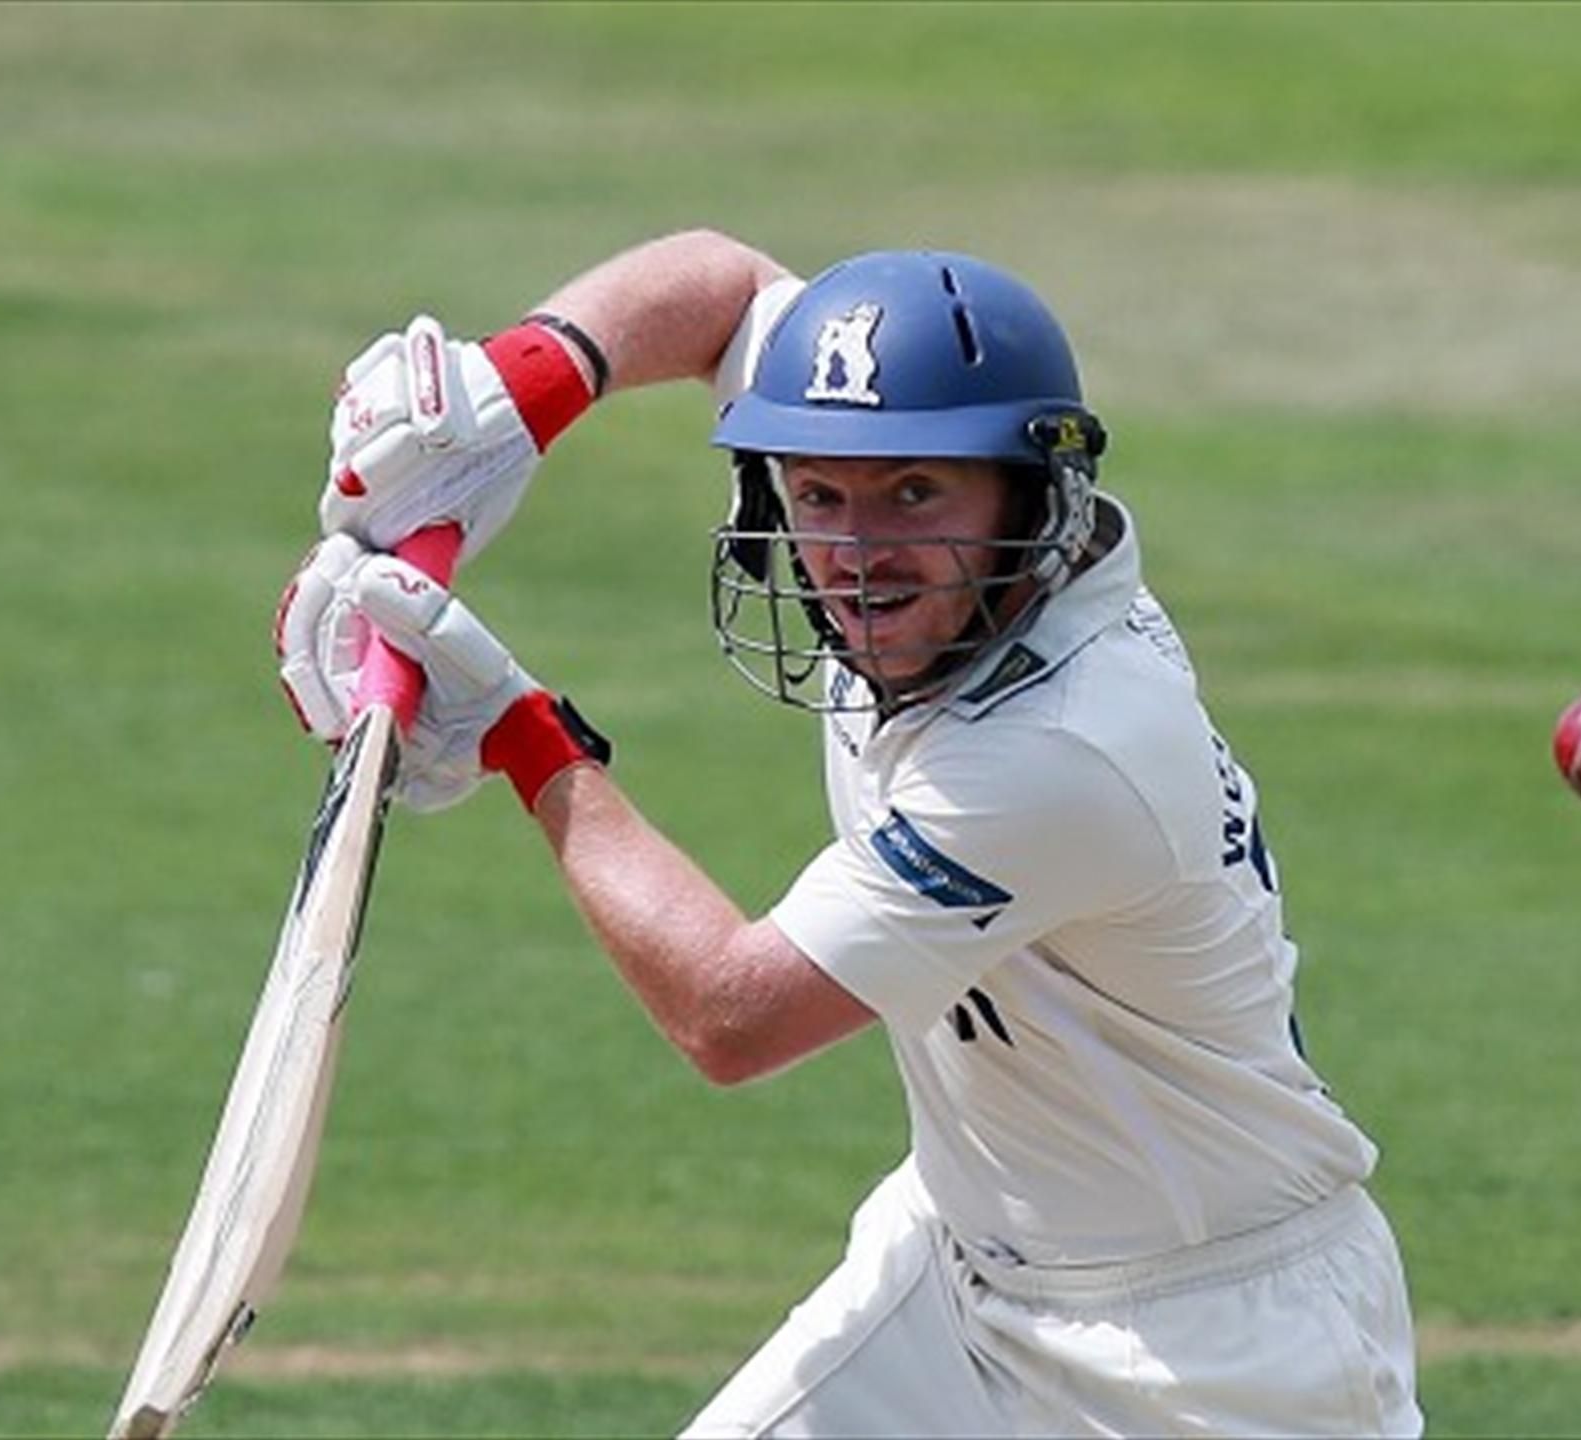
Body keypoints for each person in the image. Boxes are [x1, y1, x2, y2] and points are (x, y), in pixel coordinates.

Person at [274, 230, 1422, 1437]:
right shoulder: (932, 571)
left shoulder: (1066, 747)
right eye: (818, 494)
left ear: (1031, 497)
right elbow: (721, 284)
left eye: (913, 493)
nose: (857, 553)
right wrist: (522, 389)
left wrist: (519, 734)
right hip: (958, 1265)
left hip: (1210, 1352)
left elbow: (732, 1014)